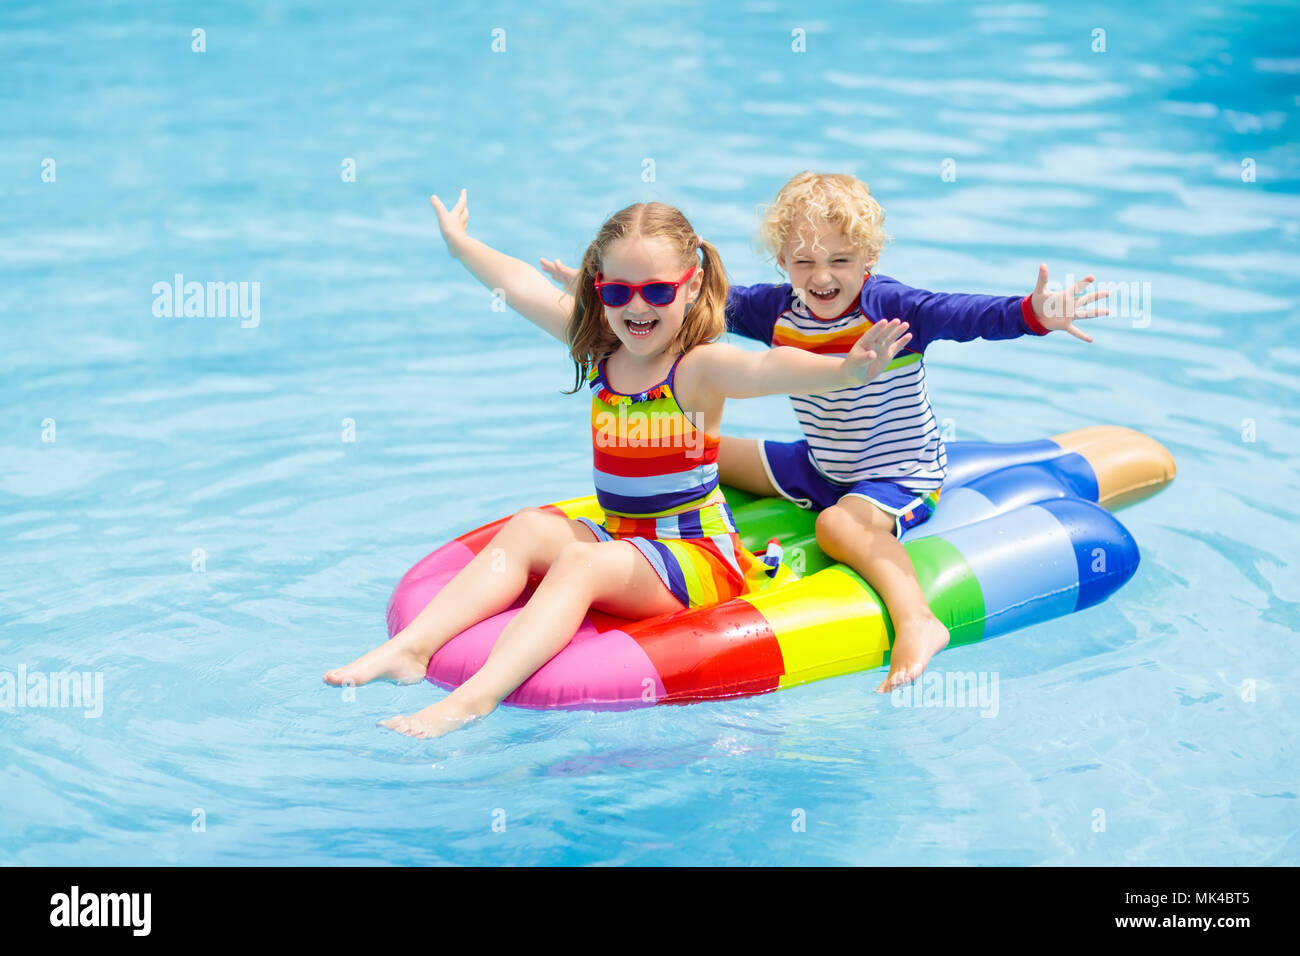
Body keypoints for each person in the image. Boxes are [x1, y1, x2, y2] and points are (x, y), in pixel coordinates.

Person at [323, 191, 912, 738]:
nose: (637, 307)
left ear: (692, 284)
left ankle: (474, 698)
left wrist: (844, 371)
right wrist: (461, 246)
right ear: (598, 288)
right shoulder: (602, 351)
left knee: (581, 563)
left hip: (694, 557)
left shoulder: (697, 367)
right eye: (617, 291)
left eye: (657, 291)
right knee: (529, 526)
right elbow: (523, 287)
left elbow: (769, 369)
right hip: (624, 539)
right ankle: (413, 649)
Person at [541, 171, 1108, 693]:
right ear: (782, 259)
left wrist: (1031, 314)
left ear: (870, 257)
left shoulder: (891, 307)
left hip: (897, 474)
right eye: (804, 261)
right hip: (819, 466)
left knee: (839, 525)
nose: (823, 276)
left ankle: (917, 619)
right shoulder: (775, 311)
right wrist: (612, 293)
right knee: (691, 447)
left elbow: (964, 315)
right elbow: (685, 300)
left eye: (841, 259)